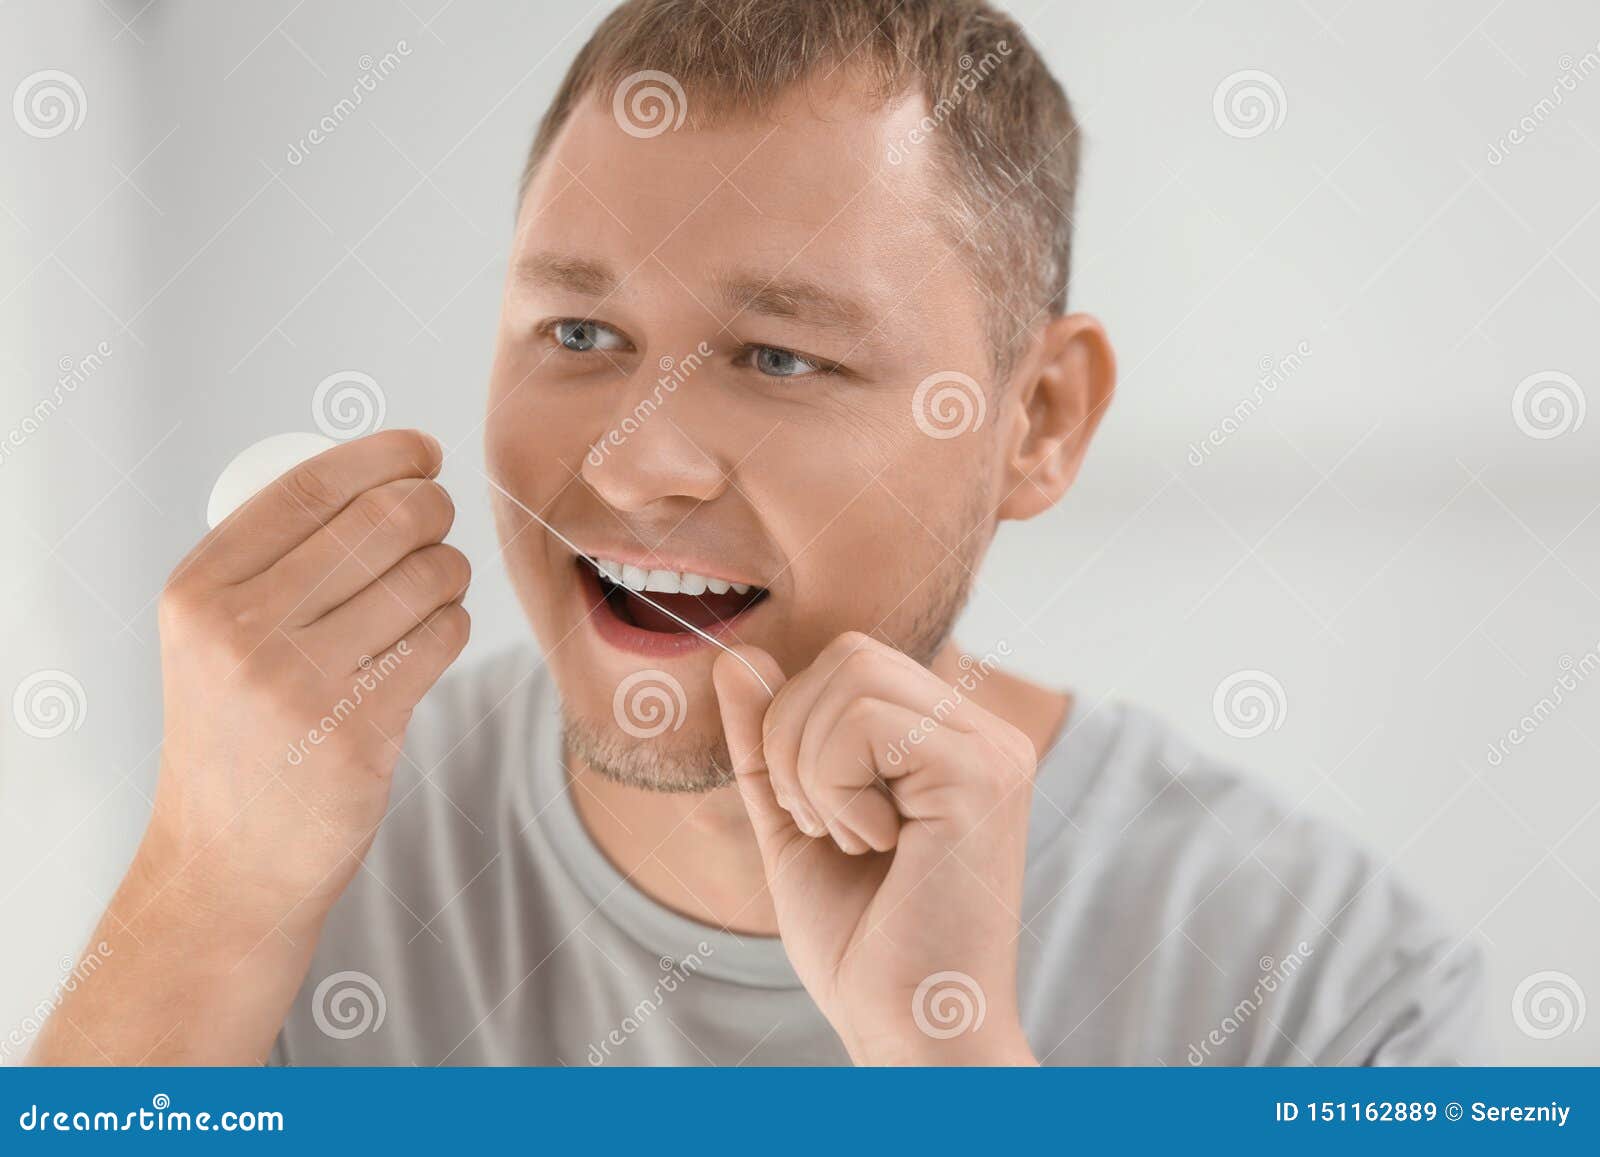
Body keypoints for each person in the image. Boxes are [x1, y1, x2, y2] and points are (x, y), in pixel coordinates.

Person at [33, 0, 1481, 1067]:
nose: (632, 461)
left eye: (782, 357)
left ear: (1037, 420)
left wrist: (949, 1065)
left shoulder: (1335, 995)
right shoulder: (298, 853)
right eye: (579, 331)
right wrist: (205, 889)